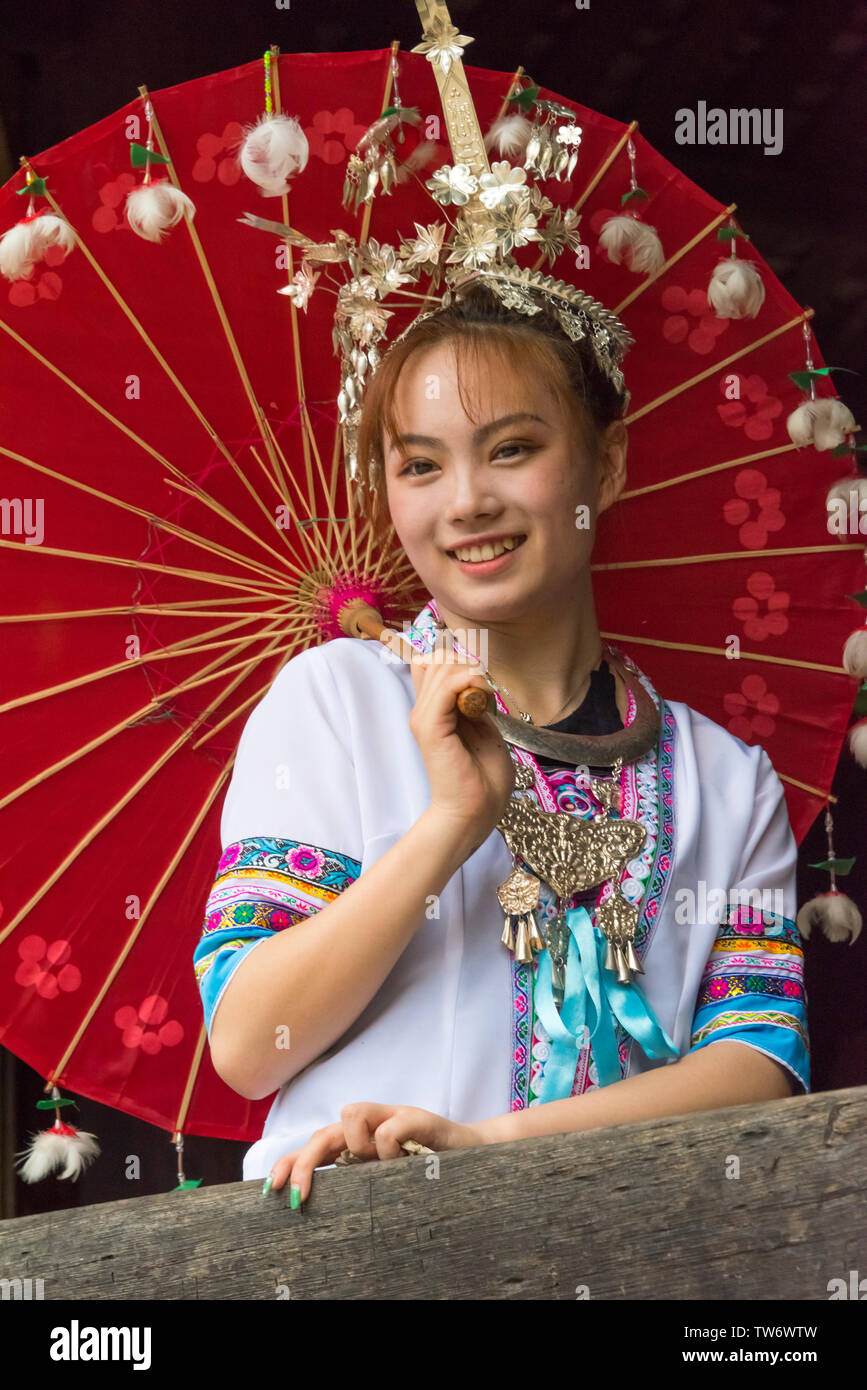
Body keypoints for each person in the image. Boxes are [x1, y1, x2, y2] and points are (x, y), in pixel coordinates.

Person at [192, 282, 808, 1208]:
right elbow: (246, 1045)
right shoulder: (337, 702)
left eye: (511, 450)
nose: (467, 504)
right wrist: (450, 822)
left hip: (650, 1248)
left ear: (606, 465)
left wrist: (488, 1144)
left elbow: (759, 1061)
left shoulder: (724, 777)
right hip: (358, 1253)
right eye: (421, 466)